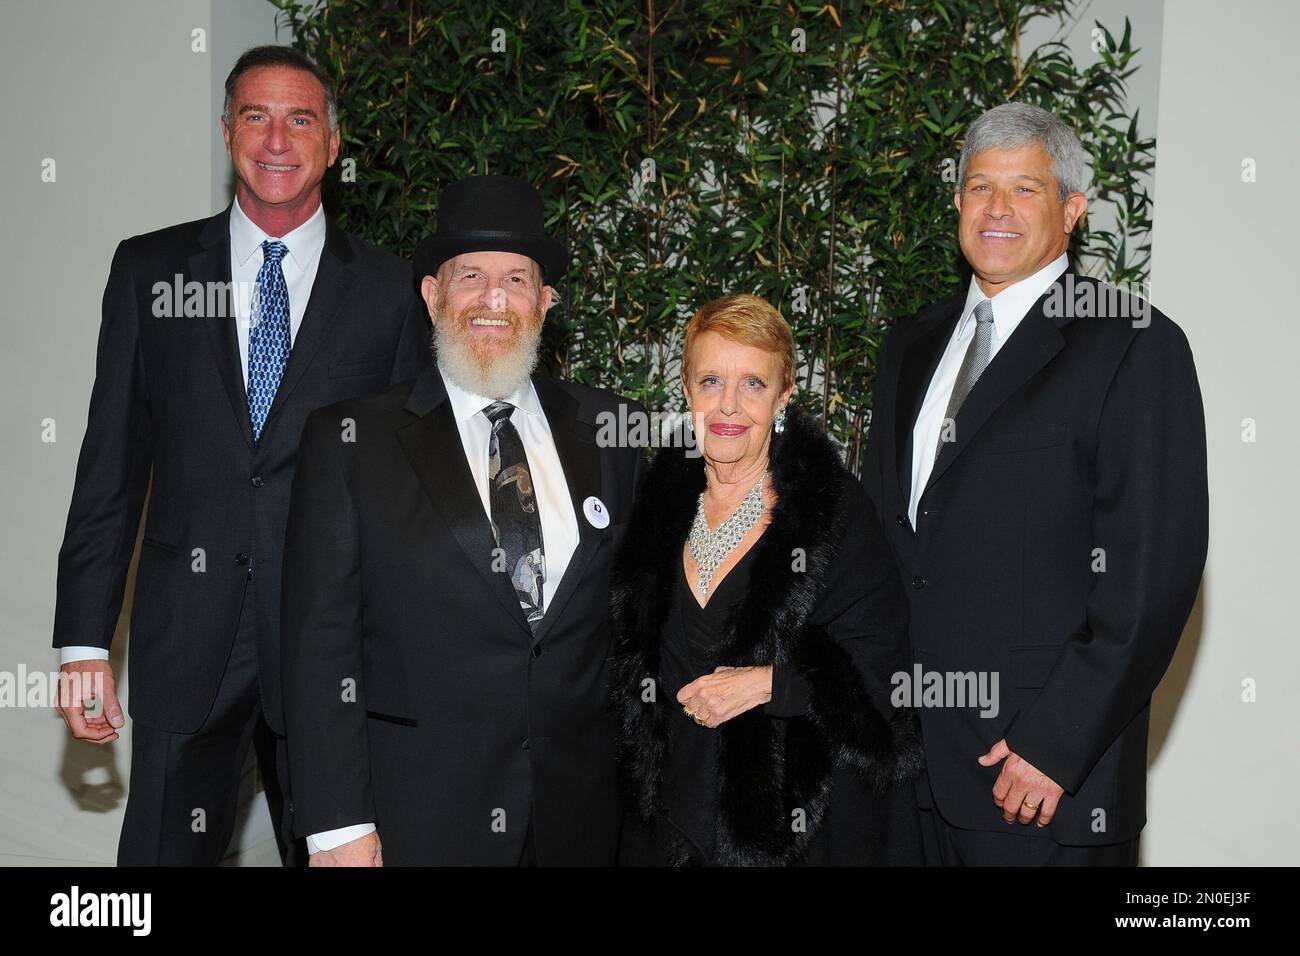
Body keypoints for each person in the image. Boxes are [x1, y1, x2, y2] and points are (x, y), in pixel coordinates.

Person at [52, 45, 430, 866]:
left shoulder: (393, 294)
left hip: (329, 653)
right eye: (255, 116)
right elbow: (109, 466)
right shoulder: (150, 270)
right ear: (227, 134)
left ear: (333, 142)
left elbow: (406, 499)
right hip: (186, 639)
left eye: (301, 118)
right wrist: (83, 646)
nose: (277, 139)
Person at [860, 102, 1208, 865]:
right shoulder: (910, 346)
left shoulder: (1134, 344)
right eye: (980, 187)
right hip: (905, 774)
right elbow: (888, 550)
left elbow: (1151, 578)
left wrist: (1055, 745)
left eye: (1025, 190)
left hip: (1038, 786)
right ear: (957, 204)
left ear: (1073, 211)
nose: (997, 209)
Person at [280, 174, 643, 865]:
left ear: (545, 301)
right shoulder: (351, 441)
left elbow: (636, 624)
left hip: (583, 820)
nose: (494, 300)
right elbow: (317, 647)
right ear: (432, 295)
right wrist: (335, 824)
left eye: (516, 278)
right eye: (470, 275)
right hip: (417, 819)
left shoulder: (611, 429)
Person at [610, 294, 924, 866]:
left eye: (753, 383)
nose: (729, 405)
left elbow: (887, 680)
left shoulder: (832, 513)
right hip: (666, 824)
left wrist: (772, 685)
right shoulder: (654, 504)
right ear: (685, 388)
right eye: (710, 380)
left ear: (784, 395)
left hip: (794, 833)